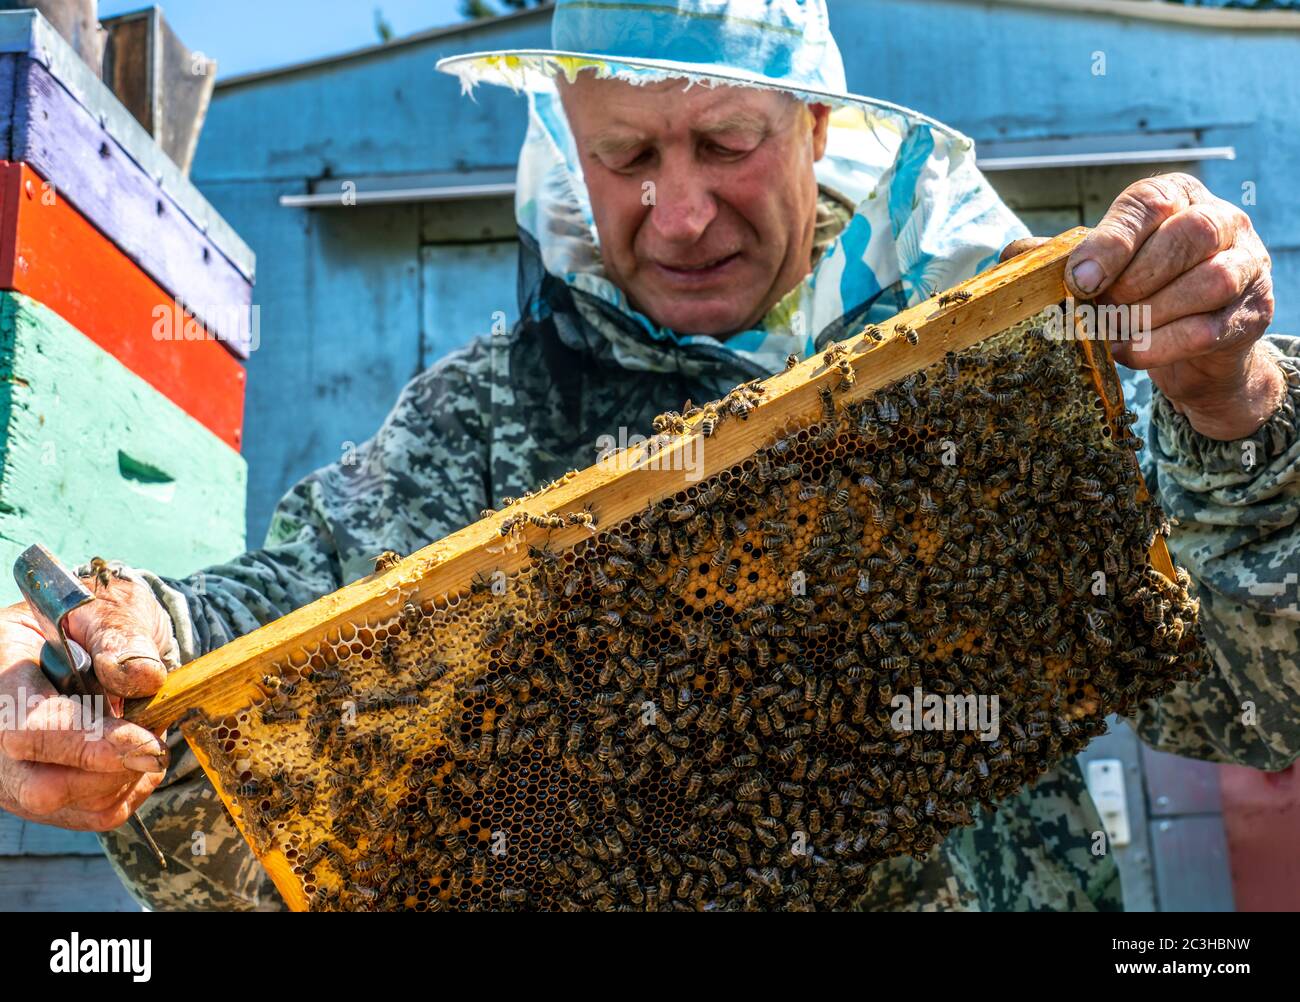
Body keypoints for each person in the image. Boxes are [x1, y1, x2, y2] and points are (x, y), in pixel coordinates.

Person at [1, 0, 1295, 911]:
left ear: (818, 130)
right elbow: (272, 619)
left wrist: (1233, 407)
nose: (677, 214)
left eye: (726, 142)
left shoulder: (1003, 362)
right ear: (570, 144)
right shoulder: (489, 418)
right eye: (626, 155)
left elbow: (1247, 703)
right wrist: (94, 657)